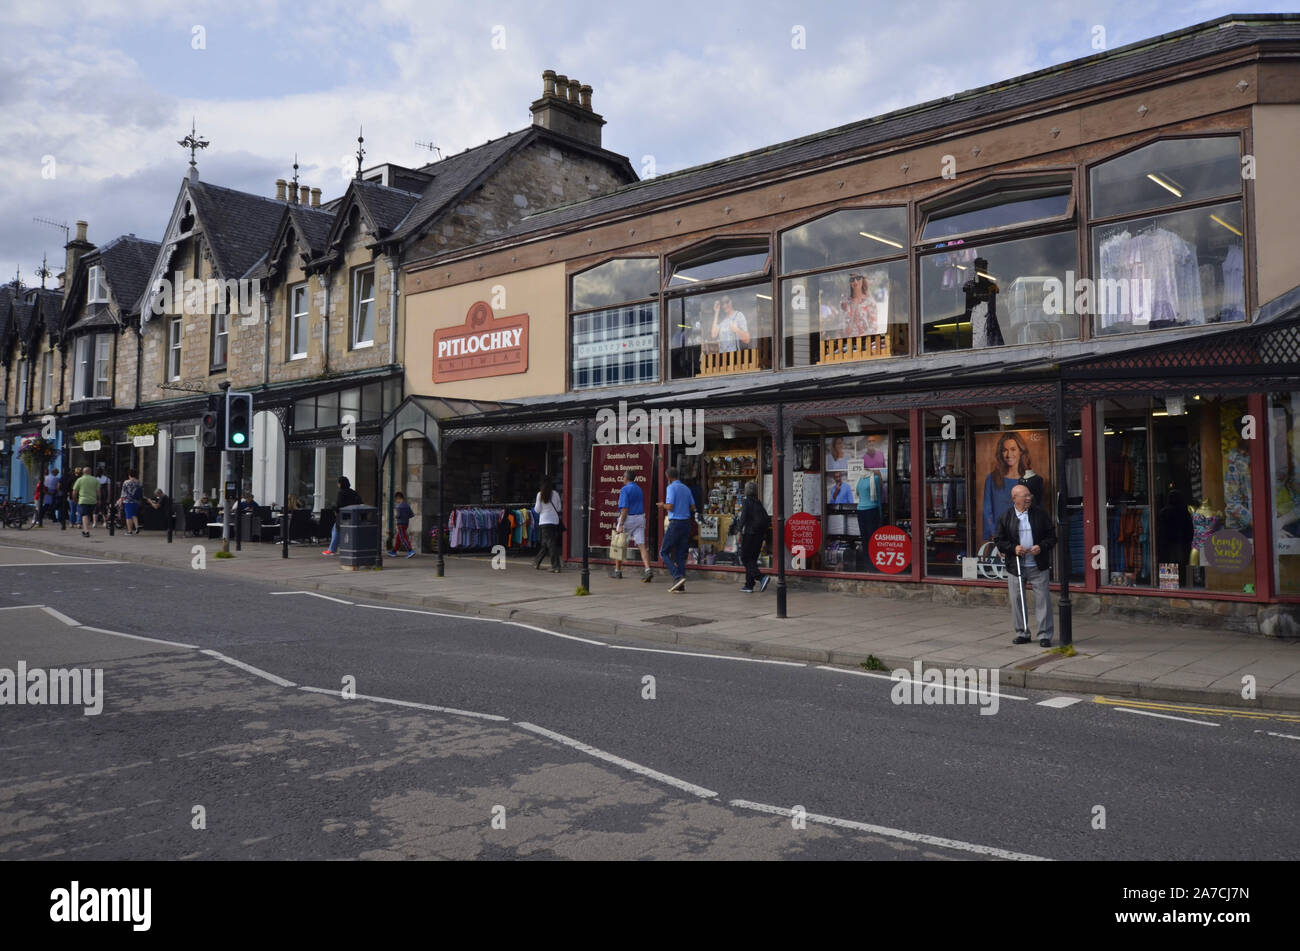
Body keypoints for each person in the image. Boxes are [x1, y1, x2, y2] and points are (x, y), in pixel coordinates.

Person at [994, 484, 1057, 647]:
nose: (1029, 498)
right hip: (1016, 566)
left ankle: (1044, 635)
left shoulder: (1040, 514)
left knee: (1043, 599)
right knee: (1017, 600)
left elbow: (1052, 536)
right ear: (1014, 499)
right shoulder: (1005, 517)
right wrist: (1013, 548)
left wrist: (1041, 546)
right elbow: (999, 541)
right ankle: (1022, 632)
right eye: (1025, 496)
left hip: (1037, 564)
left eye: (1029, 495)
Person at [981, 432, 1042, 541]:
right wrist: (997, 536)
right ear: (1000, 453)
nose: (1008, 454)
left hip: (1026, 537)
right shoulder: (992, 478)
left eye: (1013, 449)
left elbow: (1036, 511)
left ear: (1021, 451)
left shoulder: (1031, 479)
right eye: (1005, 450)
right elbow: (987, 510)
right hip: (1000, 538)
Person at [657, 466, 696, 592]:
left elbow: (670, 507)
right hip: (686, 523)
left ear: (668, 477)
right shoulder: (686, 488)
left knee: (663, 552)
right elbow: (693, 507)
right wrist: (683, 508)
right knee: (680, 555)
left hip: (675, 523)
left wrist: (662, 505)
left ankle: (677, 576)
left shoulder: (671, 487)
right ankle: (680, 585)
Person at [610, 469, 652, 581]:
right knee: (642, 545)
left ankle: (617, 571)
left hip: (628, 519)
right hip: (640, 518)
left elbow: (624, 509)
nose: (622, 478)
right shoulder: (639, 489)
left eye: (623, 477)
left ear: (626, 478)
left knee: (619, 545)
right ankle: (648, 569)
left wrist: (621, 524)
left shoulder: (624, 490)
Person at [735, 481, 771, 593]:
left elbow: (743, 517)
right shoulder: (758, 503)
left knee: (745, 558)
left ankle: (761, 577)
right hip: (759, 536)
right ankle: (749, 585)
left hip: (750, 534)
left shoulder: (746, 502)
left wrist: (739, 531)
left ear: (746, 491)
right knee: (752, 560)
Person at [322, 476, 362, 555]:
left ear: (340, 484)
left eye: (338, 483)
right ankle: (335, 549)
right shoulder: (353, 492)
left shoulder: (341, 492)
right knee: (343, 531)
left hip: (343, 516)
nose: (338, 484)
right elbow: (360, 502)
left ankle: (332, 550)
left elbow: (340, 505)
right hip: (353, 515)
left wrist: (333, 508)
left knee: (336, 531)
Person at [533, 476, 563, 572]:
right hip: (554, 521)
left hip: (544, 522)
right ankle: (537, 562)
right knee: (547, 543)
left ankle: (555, 566)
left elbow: (537, 510)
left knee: (550, 544)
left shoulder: (540, 494)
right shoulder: (556, 494)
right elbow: (558, 508)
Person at [855, 466, 884, 565]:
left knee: (869, 537)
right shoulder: (864, 478)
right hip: (866, 510)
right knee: (868, 537)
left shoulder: (868, 478)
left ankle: (870, 562)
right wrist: (880, 514)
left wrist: (880, 514)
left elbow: (878, 497)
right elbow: (878, 498)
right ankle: (869, 561)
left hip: (866, 510)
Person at [72, 467, 100, 537]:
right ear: (90, 472)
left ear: (83, 472)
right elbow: (98, 491)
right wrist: (99, 499)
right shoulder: (95, 480)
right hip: (93, 501)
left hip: (83, 500)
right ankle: (86, 528)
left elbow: (75, 491)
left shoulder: (80, 479)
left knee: (84, 515)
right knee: (88, 515)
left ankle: (86, 531)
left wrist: (74, 499)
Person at [388, 491, 416, 559]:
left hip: (400, 524)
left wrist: (396, 516)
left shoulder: (399, 506)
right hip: (406, 523)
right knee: (398, 537)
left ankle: (410, 550)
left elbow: (398, 516)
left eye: (396, 499)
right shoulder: (407, 505)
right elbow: (411, 515)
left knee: (403, 538)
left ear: (398, 498)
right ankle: (394, 551)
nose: (396, 501)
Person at [120, 469, 143, 535]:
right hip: (136, 501)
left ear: (129, 475)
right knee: (134, 514)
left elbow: (123, 493)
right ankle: (137, 527)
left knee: (128, 516)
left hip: (128, 501)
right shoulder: (139, 482)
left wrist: (121, 501)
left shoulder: (126, 482)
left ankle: (129, 531)